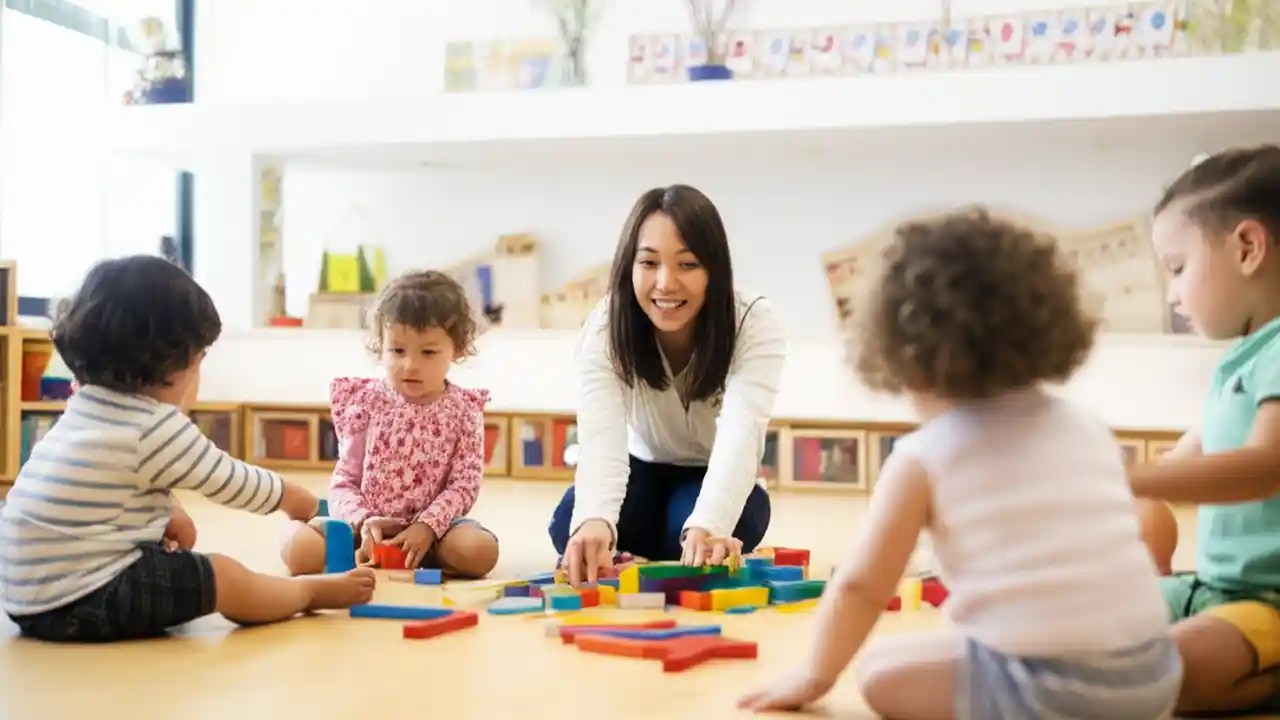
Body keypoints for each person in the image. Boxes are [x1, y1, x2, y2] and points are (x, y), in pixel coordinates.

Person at [739, 208, 1180, 718]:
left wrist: (814, 675)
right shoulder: (1083, 423)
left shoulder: (923, 457)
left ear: (899, 349)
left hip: (1048, 695)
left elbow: (863, 584)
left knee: (881, 671)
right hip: (1154, 677)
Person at [1, 256, 374, 643]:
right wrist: (296, 499)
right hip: (84, 598)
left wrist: (169, 510)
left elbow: (105, 486)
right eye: (200, 361)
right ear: (173, 363)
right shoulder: (153, 424)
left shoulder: (85, 405)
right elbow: (230, 480)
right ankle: (310, 592)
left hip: (28, 599)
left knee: (176, 563)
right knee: (223, 575)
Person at [549, 184, 787, 586]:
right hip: (641, 469)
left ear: (715, 269)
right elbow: (601, 440)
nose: (666, 283)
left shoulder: (754, 322)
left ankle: (652, 547)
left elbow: (742, 433)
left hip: (709, 471)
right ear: (630, 266)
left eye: (688, 264)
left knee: (733, 521)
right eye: (649, 263)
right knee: (569, 527)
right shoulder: (605, 327)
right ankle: (645, 546)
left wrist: (708, 524)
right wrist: (594, 522)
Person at [1129, 144, 1280, 714]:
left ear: (1247, 248)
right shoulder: (1243, 361)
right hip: (1211, 590)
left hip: (1268, 601)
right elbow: (1186, 461)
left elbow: (1263, 470)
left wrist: (1131, 480)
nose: (1171, 292)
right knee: (1068, 620)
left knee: (1170, 674)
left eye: (1176, 268)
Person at [281, 270, 499, 578]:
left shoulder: (464, 410)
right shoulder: (365, 402)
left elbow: (463, 485)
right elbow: (344, 480)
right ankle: (344, 537)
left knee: (479, 552)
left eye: (428, 352)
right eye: (397, 350)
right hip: (362, 526)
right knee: (299, 550)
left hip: (434, 530)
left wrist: (427, 526)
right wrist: (363, 520)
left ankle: (417, 552)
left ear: (458, 348)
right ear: (379, 345)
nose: (410, 365)